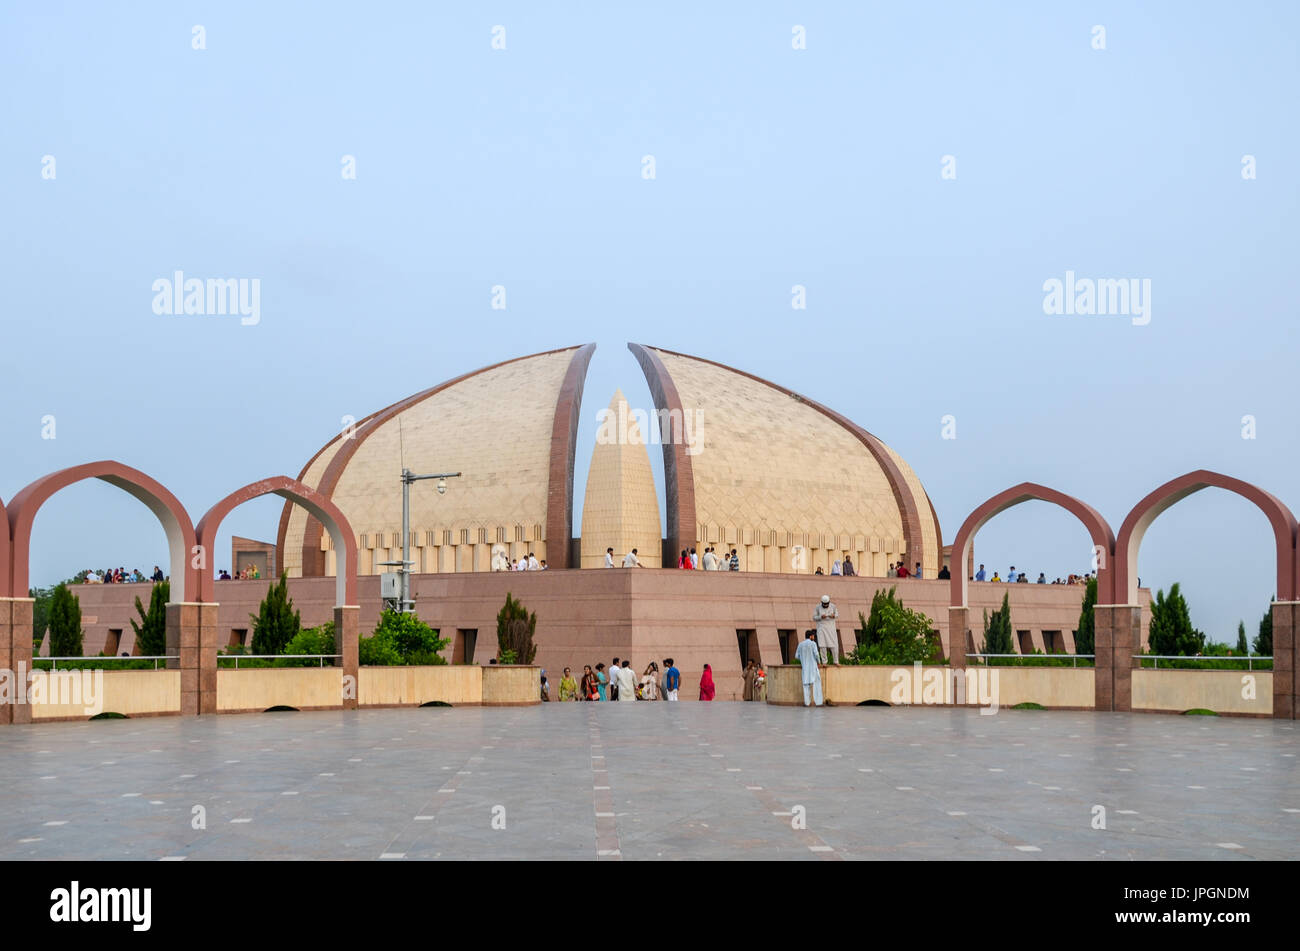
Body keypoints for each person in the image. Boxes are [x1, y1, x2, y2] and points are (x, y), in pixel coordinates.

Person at [795, 631, 824, 707]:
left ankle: (807, 703)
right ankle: (818, 702)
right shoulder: (813, 644)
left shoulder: (800, 644)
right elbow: (816, 654)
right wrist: (819, 662)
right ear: (811, 636)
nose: (814, 637)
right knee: (816, 684)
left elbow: (796, 656)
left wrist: (803, 659)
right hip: (813, 667)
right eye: (813, 636)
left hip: (805, 668)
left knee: (806, 686)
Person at [814, 594, 840, 663]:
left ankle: (836, 661)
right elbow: (814, 617)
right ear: (821, 602)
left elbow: (837, 614)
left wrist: (833, 616)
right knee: (822, 645)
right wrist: (820, 617)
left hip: (831, 628)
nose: (825, 605)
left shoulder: (833, 606)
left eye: (827, 604)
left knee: (834, 645)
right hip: (821, 628)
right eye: (824, 604)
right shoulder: (817, 607)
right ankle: (824, 662)